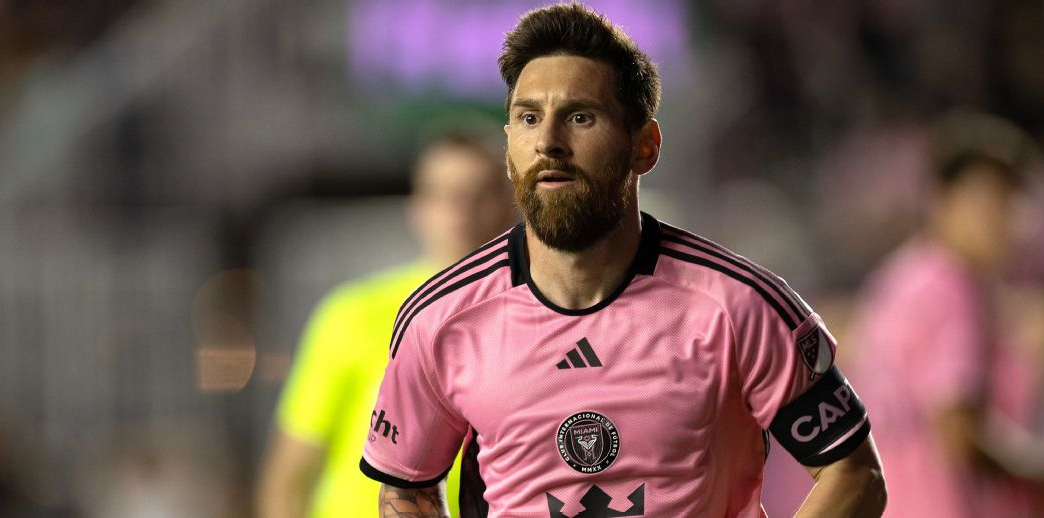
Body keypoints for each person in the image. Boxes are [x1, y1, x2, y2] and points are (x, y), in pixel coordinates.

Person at [360, 4, 886, 516]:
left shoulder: (739, 307)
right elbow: (407, 490)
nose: (548, 142)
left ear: (645, 147)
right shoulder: (440, 321)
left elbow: (853, 472)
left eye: (580, 117)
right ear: (509, 144)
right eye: (529, 118)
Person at [257, 130, 515, 518]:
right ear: (418, 208)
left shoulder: (540, 326)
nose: (460, 211)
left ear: (510, 208)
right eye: (444, 194)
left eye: (478, 194)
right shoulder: (352, 315)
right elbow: (286, 483)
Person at [850, 112, 1044, 517]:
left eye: (1010, 202)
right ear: (942, 201)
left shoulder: (901, 278)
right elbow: (958, 433)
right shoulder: (951, 287)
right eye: (986, 201)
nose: (1000, 219)